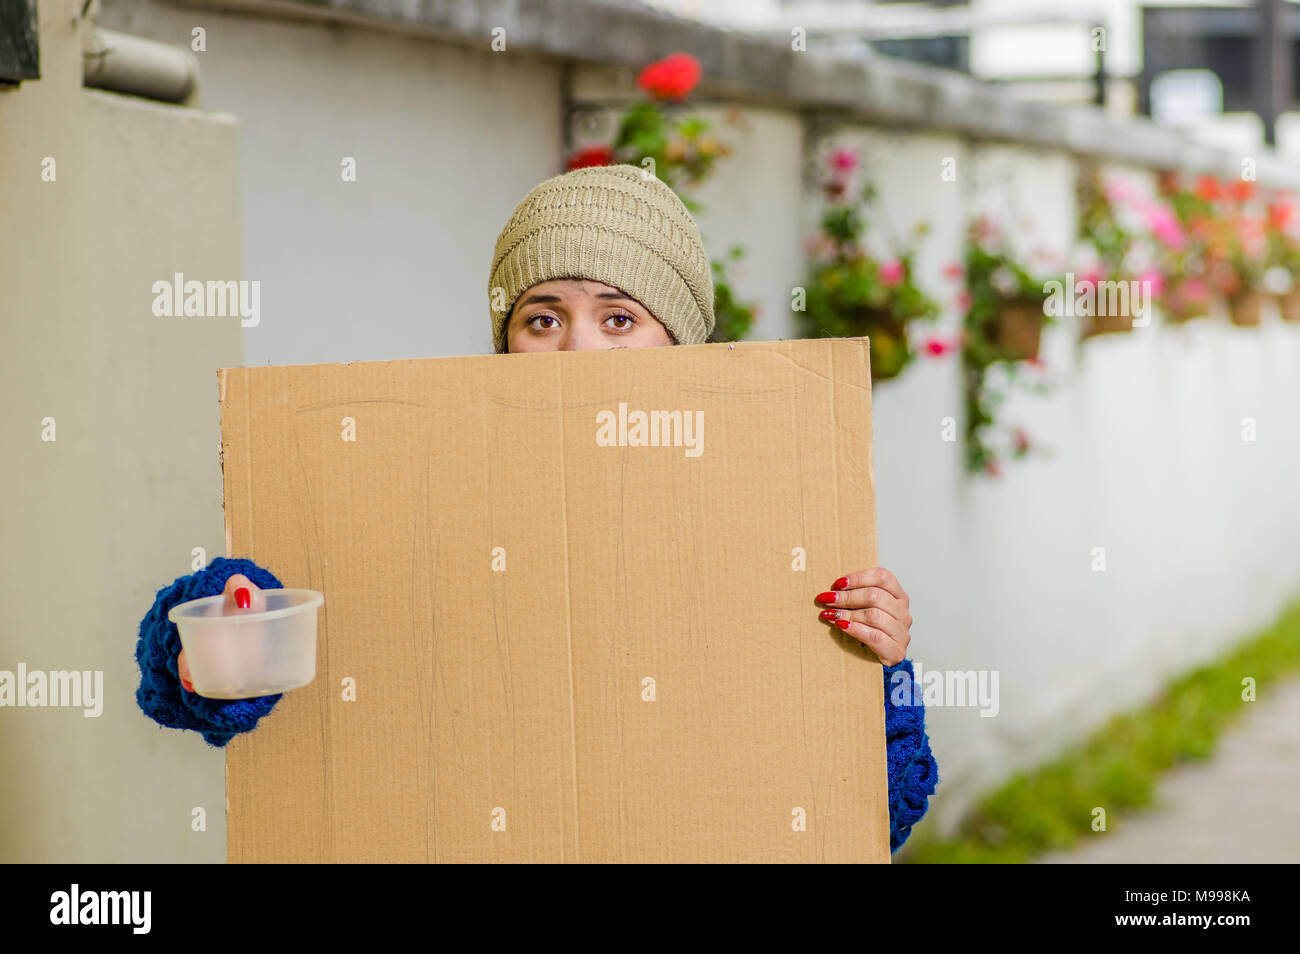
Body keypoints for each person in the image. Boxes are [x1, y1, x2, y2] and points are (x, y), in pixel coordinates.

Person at [137, 163, 939, 853]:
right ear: (505, 343)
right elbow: (321, 644)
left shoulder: (767, 523)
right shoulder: (425, 487)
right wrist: (222, 633)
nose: (578, 350)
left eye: (617, 318)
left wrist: (880, 668)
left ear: (683, 349)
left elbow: (880, 815)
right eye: (543, 318)